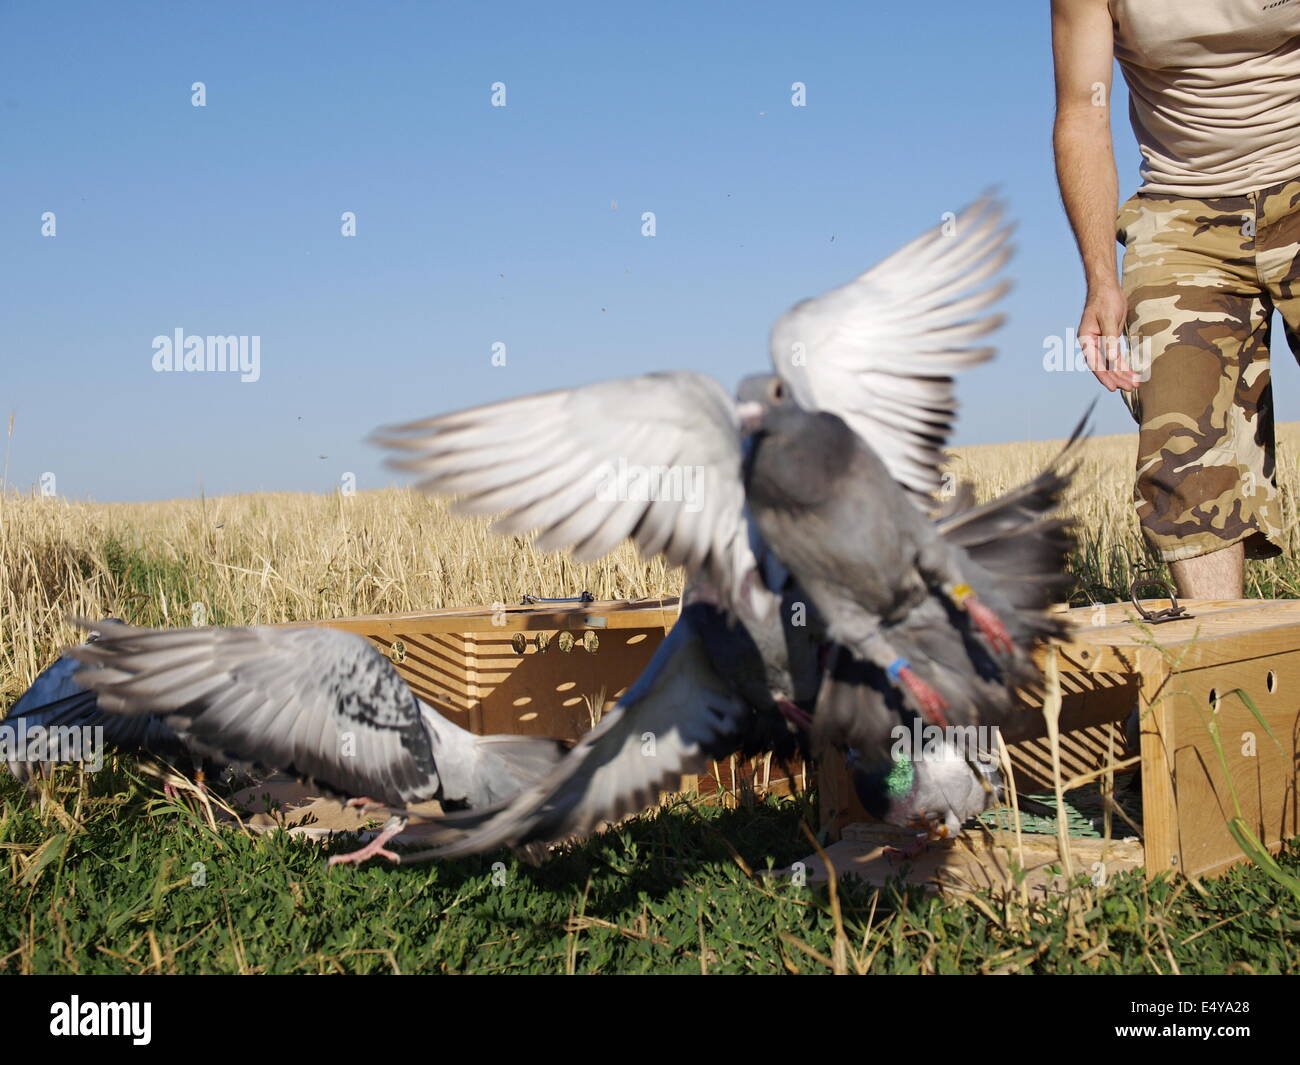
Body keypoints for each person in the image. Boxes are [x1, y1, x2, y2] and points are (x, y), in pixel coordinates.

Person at [1052, 0, 1300, 599]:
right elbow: (1083, 119)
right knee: (1181, 455)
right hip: (1181, 207)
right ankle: (1220, 672)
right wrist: (1101, 279)